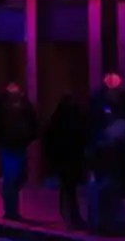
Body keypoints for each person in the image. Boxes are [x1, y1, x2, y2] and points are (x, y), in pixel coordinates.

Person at [89, 71, 125, 233]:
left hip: (116, 151)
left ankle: (114, 221)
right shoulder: (100, 101)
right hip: (107, 151)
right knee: (107, 187)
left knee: (116, 187)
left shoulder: (123, 100)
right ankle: (106, 222)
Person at [0, 81, 38, 221]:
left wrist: (31, 136)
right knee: (11, 177)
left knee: (19, 176)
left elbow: (32, 120)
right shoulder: (1, 104)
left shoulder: (24, 104)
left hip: (20, 144)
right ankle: (11, 211)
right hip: (8, 145)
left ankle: (11, 208)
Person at [43, 94, 87, 228]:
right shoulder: (69, 119)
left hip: (68, 159)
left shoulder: (60, 119)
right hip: (68, 159)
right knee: (69, 189)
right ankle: (71, 216)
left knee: (68, 189)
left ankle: (70, 215)